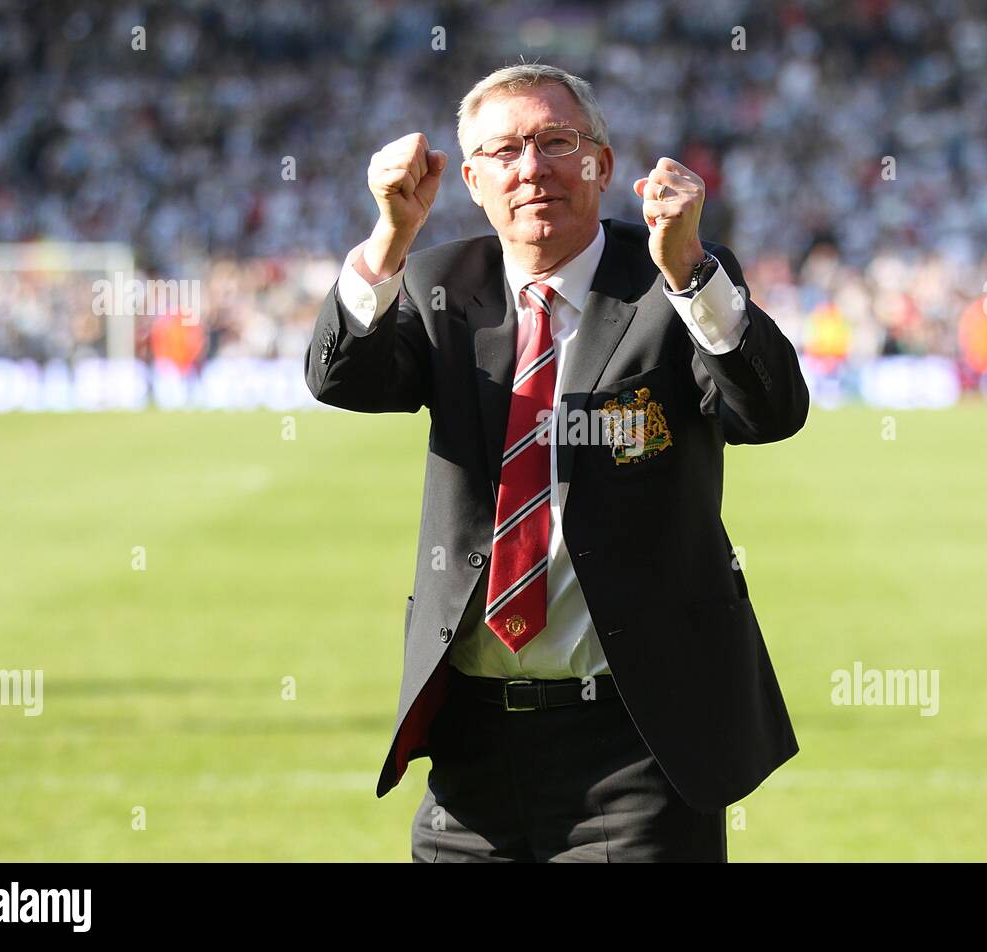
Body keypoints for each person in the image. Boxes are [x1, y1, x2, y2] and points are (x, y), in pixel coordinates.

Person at [305, 64, 809, 862]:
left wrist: (689, 274)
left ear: (603, 165)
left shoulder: (669, 283)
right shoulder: (442, 287)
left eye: (556, 142)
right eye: (503, 152)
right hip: (470, 747)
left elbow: (771, 411)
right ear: (470, 181)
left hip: (636, 741)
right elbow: (341, 378)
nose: (532, 168)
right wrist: (389, 239)